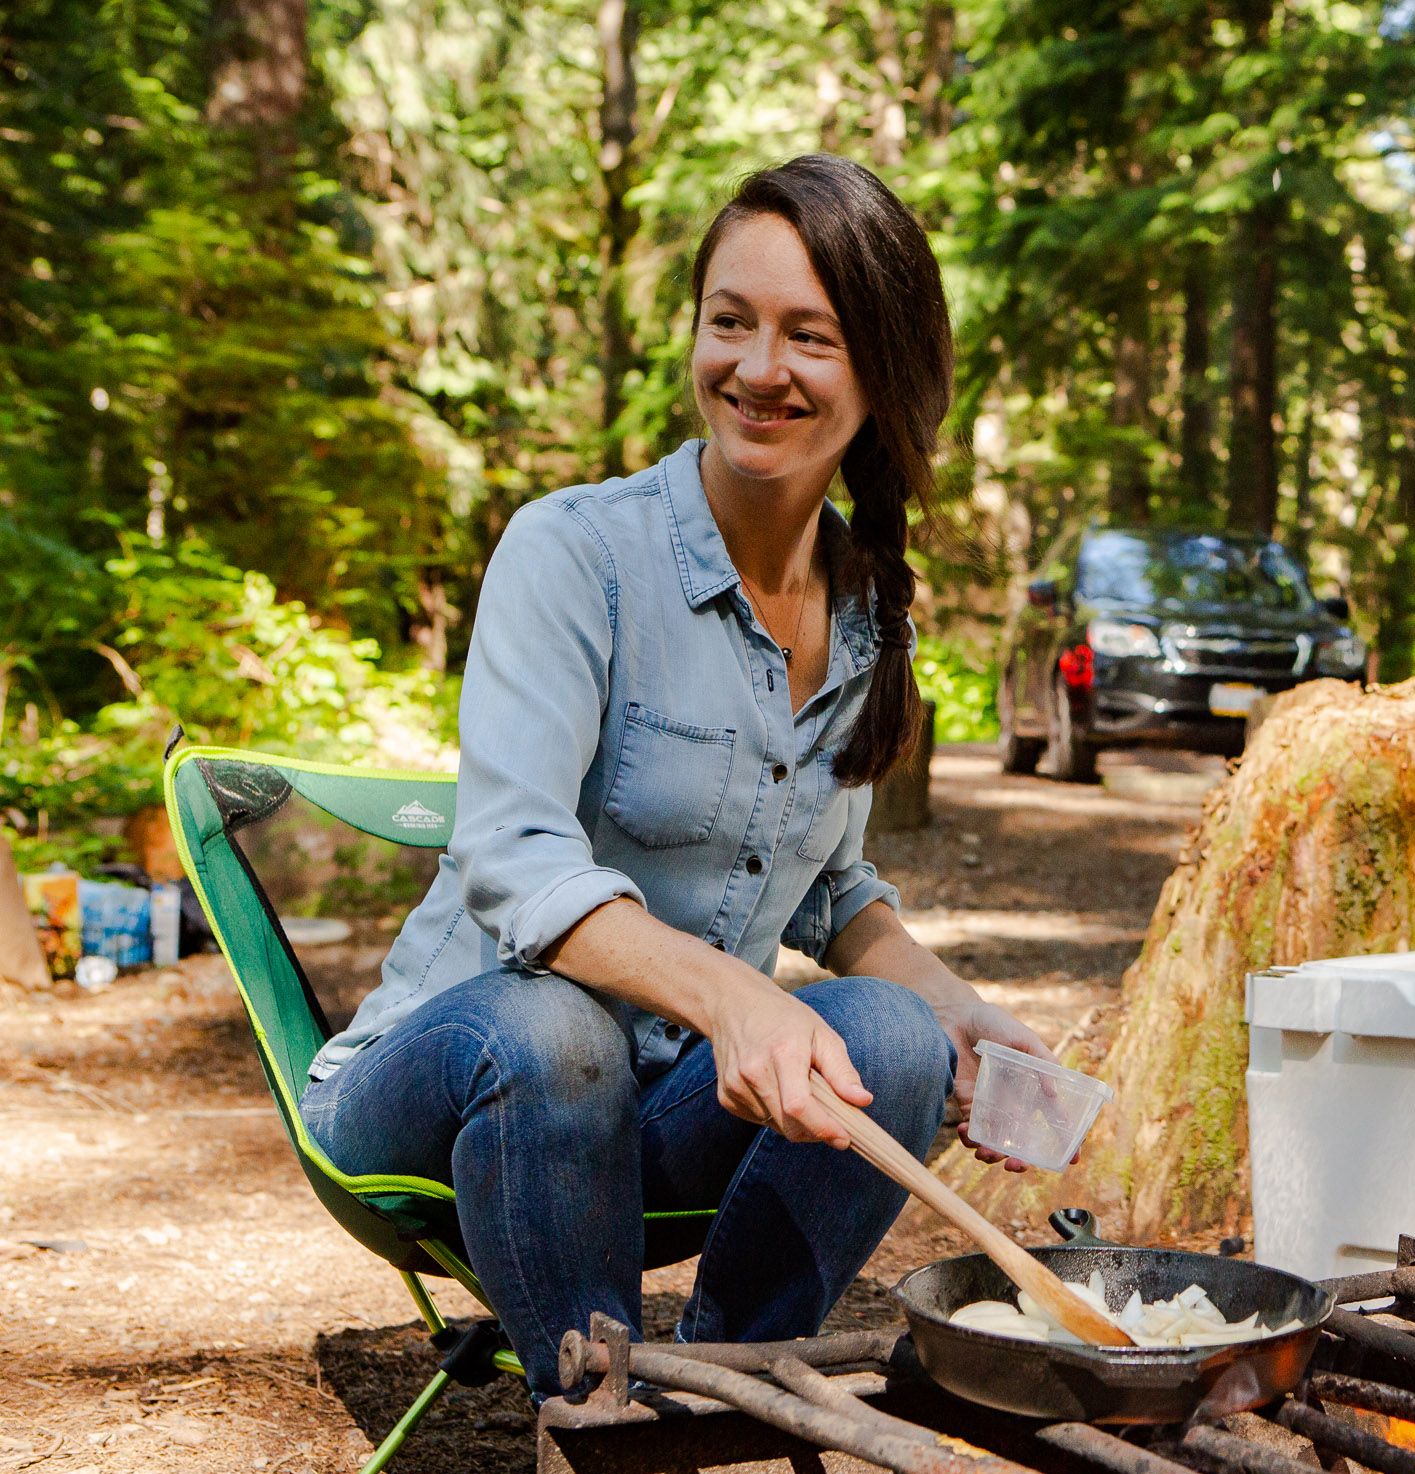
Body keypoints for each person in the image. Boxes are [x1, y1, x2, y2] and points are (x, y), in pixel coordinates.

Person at [299, 154, 1047, 1400]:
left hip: (659, 1109)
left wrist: (957, 1007)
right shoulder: (575, 551)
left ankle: (726, 1388)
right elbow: (512, 855)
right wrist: (735, 1000)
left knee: (896, 1040)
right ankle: (601, 1423)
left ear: (882, 373)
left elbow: (834, 893)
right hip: (456, 1085)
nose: (759, 369)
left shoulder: (865, 613)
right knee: (553, 1025)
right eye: (730, 322)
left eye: (810, 334)